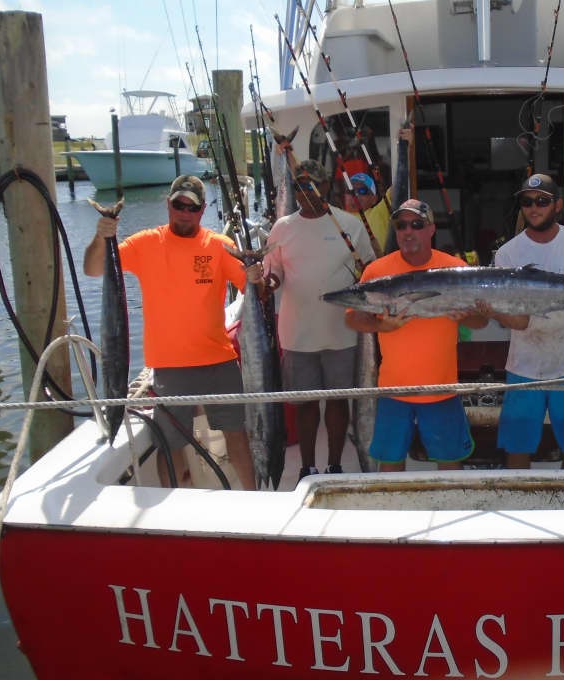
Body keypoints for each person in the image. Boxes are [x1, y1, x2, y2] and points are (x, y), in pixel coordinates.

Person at [83, 175, 260, 490]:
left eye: (191, 207)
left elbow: (253, 288)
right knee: (171, 443)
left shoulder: (221, 246)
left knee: (237, 435)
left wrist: (259, 277)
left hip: (219, 362)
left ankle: (253, 496)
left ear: (202, 210)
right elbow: (94, 269)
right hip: (169, 367)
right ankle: (173, 502)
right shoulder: (145, 243)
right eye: (178, 205)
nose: (183, 212)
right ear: (168, 204)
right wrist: (101, 236)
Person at [344, 199, 488, 471]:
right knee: (390, 466)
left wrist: (466, 316)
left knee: (449, 465)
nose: (408, 231)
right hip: (393, 391)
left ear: (431, 229)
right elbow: (351, 317)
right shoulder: (377, 271)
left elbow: (481, 321)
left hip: (442, 390)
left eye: (417, 224)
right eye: (401, 225)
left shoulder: (456, 268)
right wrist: (381, 327)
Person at [482, 174, 564, 470]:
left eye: (542, 201)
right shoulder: (507, 253)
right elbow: (520, 321)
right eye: (527, 202)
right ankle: (520, 504)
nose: (534, 208)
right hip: (524, 366)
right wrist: (491, 310)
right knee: (517, 446)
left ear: (558, 205)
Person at [263, 159, 375, 480]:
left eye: (313, 184)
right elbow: (275, 273)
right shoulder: (282, 227)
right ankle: (308, 467)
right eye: (299, 185)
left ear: (326, 186)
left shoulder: (349, 224)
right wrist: (267, 282)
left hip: (342, 333)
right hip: (297, 334)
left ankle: (335, 465)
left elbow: (369, 268)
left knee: (339, 403)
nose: (306, 191)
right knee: (305, 403)